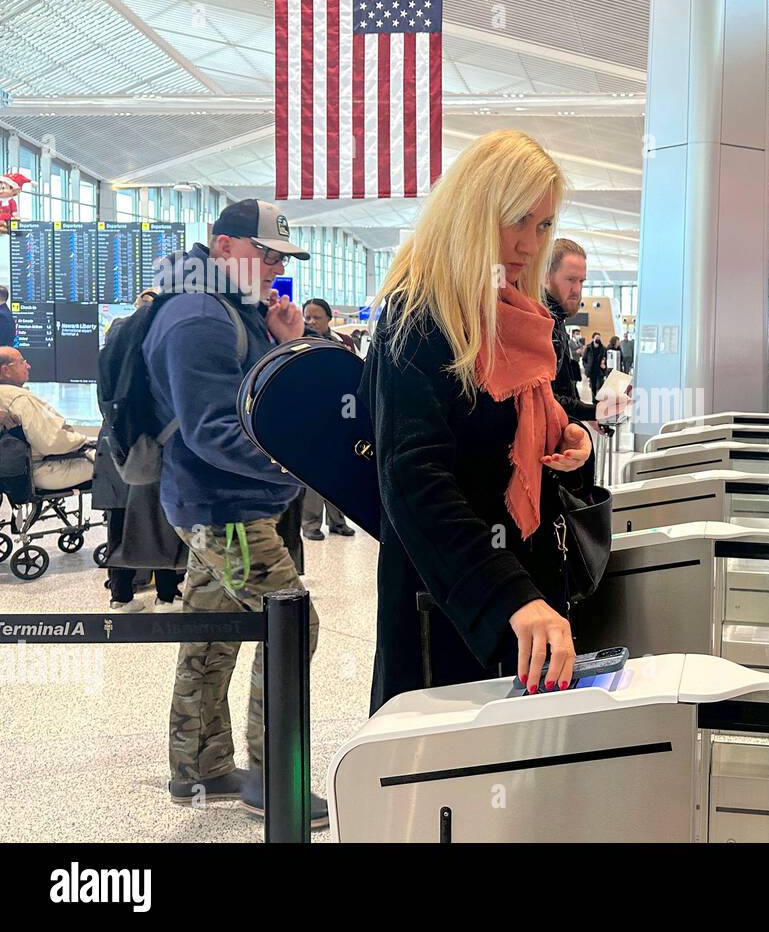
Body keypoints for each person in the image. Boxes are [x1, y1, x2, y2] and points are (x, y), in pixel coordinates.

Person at [360, 129, 596, 710]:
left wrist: (574, 439)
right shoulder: (420, 314)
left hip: (530, 594)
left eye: (542, 226)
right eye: (516, 220)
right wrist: (507, 596)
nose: (528, 243)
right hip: (454, 604)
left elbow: (554, 411)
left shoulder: (523, 316)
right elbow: (413, 479)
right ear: (473, 211)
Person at [143, 198, 329, 826]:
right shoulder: (198, 316)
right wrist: (297, 464)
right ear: (223, 246)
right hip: (224, 509)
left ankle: (199, 766)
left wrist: (284, 344)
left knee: (213, 632)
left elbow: (252, 400)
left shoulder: (230, 309)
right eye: (265, 253)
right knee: (292, 624)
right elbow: (213, 428)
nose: (274, 268)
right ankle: (273, 779)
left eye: (281, 258)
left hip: (222, 503)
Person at [94, 287, 184, 614]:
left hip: (115, 446)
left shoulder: (114, 351)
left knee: (118, 523)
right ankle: (167, 593)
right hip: (148, 450)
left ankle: (121, 595)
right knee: (159, 521)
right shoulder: (153, 355)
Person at [299, 297, 357, 541]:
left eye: (316, 317)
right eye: (308, 317)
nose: (311, 321)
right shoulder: (299, 342)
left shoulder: (343, 342)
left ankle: (338, 521)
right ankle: (310, 523)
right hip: (311, 416)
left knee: (339, 470)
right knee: (313, 472)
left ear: (329, 319)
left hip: (340, 413)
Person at [0, 348, 95, 489]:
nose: (28, 366)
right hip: (42, 469)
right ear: (6, 371)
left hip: (16, 473)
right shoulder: (20, 399)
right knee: (113, 462)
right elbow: (51, 441)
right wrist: (85, 441)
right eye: (22, 362)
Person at [543, 238, 596, 421]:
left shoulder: (558, 321)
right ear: (545, 277)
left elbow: (565, 385)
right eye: (570, 279)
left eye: (582, 281)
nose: (577, 290)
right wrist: (594, 411)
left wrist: (588, 415)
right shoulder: (539, 323)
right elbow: (545, 400)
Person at [585, 331, 607, 399]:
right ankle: (594, 401)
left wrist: (604, 365)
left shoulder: (603, 349)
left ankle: (599, 399)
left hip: (600, 371)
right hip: (591, 371)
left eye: (599, 338)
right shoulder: (588, 348)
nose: (598, 339)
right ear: (593, 338)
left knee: (599, 386)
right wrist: (586, 367)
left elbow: (606, 358)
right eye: (597, 337)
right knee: (593, 386)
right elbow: (584, 359)